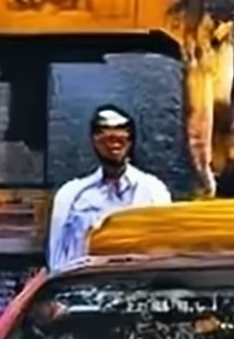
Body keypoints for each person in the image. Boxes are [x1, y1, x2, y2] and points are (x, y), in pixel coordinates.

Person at [47, 106, 172, 272]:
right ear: (94, 140)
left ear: (130, 140)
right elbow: (56, 256)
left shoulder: (153, 190)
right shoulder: (71, 195)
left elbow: (165, 249)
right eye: (105, 135)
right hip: (84, 288)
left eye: (121, 134)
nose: (113, 143)